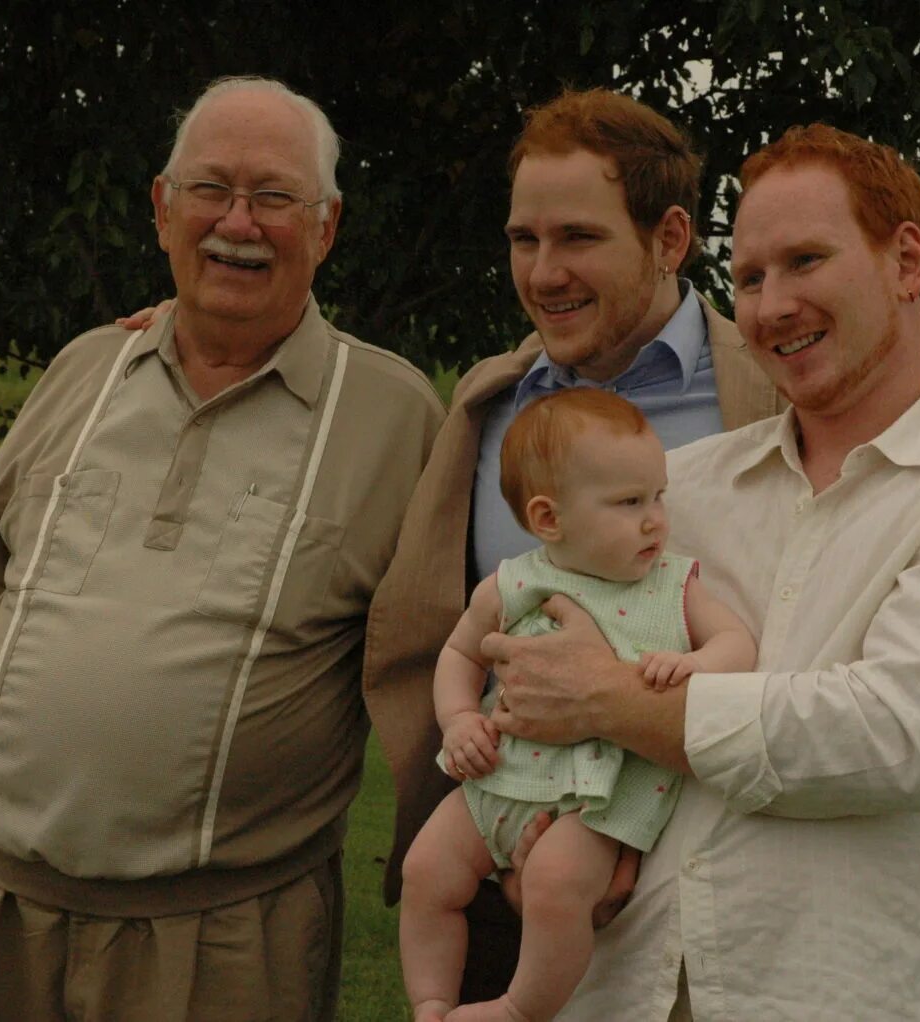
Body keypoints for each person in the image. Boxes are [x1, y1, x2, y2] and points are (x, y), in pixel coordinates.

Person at [479, 124, 920, 1019]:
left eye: (805, 261)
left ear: (909, 261)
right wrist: (524, 847)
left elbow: (893, 738)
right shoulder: (682, 488)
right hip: (614, 990)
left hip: (825, 994)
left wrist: (613, 700)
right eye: (750, 279)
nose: (771, 308)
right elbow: (546, 685)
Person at [0, 76, 444, 1021]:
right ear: (161, 210)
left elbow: (434, 673)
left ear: (327, 228)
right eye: (210, 189)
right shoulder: (82, 369)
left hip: (224, 948)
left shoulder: (398, 420)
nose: (238, 222)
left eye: (274, 197)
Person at [362, 88, 782, 999]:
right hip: (494, 876)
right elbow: (429, 629)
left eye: (578, 238)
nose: (543, 272)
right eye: (524, 240)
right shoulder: (489, 403)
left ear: (670, 239)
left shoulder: (775, 390)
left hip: (700, 917)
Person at [399, 389, 757, 1022]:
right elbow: (460, 654)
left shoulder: (672, 582)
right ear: (548, 519)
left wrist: (697, 664)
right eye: (629, 502)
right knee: (426, 872)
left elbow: (737, 642)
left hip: (600, 799)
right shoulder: (512, 583)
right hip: (500, 776)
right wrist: (459, 719)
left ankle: (519, 1008)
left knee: (556, 885)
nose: (655, 520)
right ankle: (431, 1002)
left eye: (658, 496)